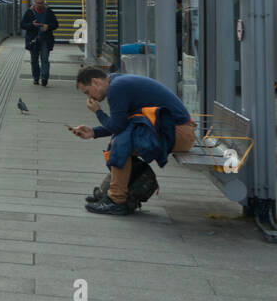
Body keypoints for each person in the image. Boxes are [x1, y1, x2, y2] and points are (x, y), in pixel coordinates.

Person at [70, 66, 197, 215]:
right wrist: (93, 132)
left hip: (179, 133)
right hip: (177, 131)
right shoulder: (117, 83)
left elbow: (118, 126)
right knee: (121, 139)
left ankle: (116, 200)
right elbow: (122, 123)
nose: (89, 97)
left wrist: (98, 112)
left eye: (87, 92)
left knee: (121, 143)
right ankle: (111, 194)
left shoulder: (116, 88)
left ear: (95, 82)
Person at [20, 0, 59, 86]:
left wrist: (48, 26)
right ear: (34, 2)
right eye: (37, 3)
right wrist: (32, 25)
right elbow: (22, 25)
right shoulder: (29, 12)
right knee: (34, 60)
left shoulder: (49, 12)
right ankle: (36, 78)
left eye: (41, 3)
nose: (39, 5)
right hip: (33, 40)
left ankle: (45, 77)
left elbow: (56, 24)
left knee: (44, 59)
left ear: (44, 3)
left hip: (45, 39)